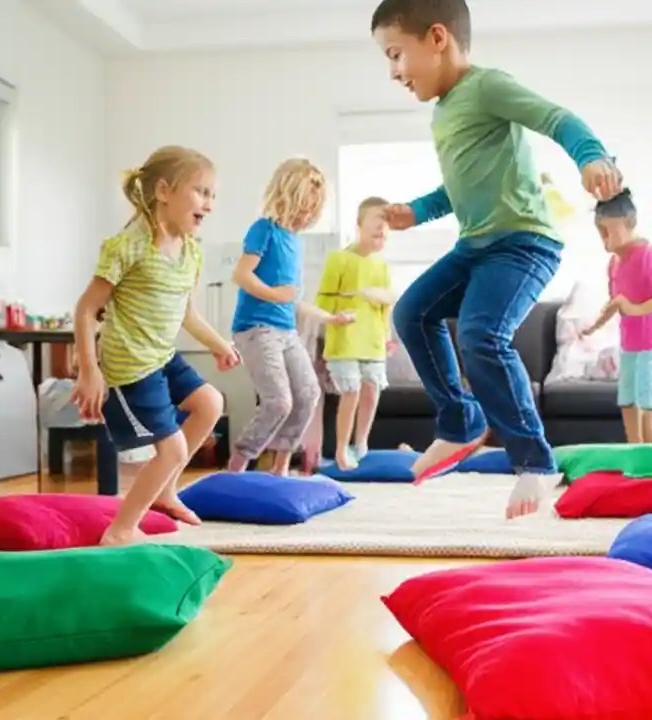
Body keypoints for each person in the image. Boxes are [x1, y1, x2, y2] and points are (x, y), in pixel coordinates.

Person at [370, 0, 623, 519]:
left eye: (396, 54)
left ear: (437, 37)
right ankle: (459, 421)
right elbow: (458, 186)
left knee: (481, 334)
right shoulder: (445, 111)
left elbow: (557, 118)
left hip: (524, 243)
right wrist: (414, 212)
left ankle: (535, 460)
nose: (393, 71)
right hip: (476, 246)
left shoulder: (486, 86)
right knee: (411, 312)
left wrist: (591, 156)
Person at [70, 145, 241, 546]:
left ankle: (165, 492)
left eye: (213, 195)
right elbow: (85, 309)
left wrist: (219, 344)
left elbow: (187, 314)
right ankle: (120, 529)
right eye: (201, 192)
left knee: (211, 403)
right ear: (164, 191)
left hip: (162, 357)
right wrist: (90, 370)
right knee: (172, 448)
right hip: (129, 366)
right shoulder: (129, 245)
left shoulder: (191, 252)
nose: (209, 205)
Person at [227, 158, 354, 476]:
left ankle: (281, 469)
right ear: (285, 197)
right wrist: (275, 295)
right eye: (302, 207)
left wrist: (330, 318)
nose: (306, 216)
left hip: (285, 330)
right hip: (256, 328)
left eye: (313, 210)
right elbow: (241, 275)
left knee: (309, 393)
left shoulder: (295, 241)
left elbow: (293, 299)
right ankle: (237, 467)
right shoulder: (264, 229)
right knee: (278, 401)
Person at [582, 189, 652, 445]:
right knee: (628, 400)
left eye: (607, 231)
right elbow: (614, 303)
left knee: (649, 402)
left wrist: (632, 308)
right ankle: (634, 452)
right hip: (629, 346)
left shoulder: (648, 255)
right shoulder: (614, 264)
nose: (604, 239)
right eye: (600, 232)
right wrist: (594, 326)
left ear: (629, 223)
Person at [316, 196, 396, 470]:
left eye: (386, 222)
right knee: (350, 393)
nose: (382, 227)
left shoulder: (382, 265)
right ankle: (340, 450)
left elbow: (386, 305)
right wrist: (332, 319)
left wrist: (386, 335)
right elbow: (323, 300)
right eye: (376, 220)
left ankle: (361, 443)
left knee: (372, 391)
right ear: (359, 225)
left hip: (372, 339)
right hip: (346, 340)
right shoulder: (339, 259)